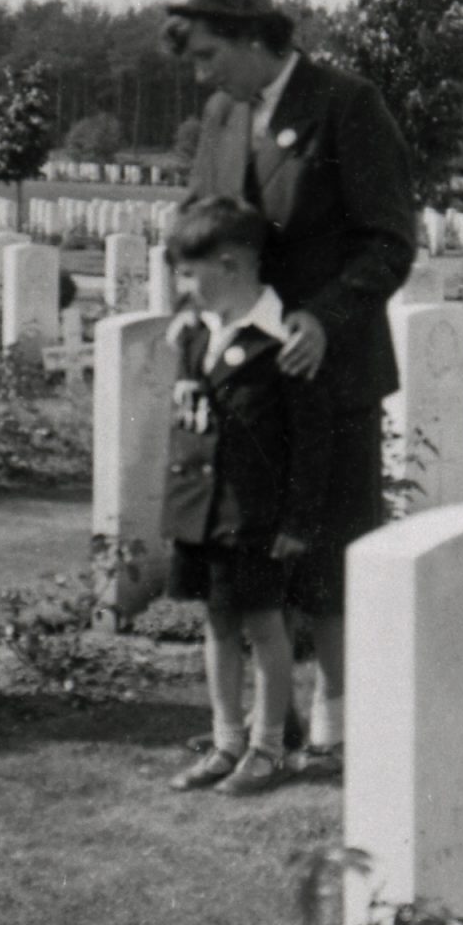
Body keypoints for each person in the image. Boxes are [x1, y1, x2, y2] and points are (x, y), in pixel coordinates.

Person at [164, 0, 417, 782]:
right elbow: (203, 228)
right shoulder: (220, 115)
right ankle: (248, 732)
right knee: (245, 552)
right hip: (241, 382)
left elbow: (388, 239)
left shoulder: (345, 105)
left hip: (326, 367)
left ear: (248, 36)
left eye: (208, 54)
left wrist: (325, 316)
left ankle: (337, 727)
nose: (201, 75)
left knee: (329, 555)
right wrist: (193, 318)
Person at [160, 198, 334, 796]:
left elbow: (310, 445)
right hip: (201, 509)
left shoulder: (282, 342)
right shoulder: (194, 333)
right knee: (216, 623)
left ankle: (268, 747)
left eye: (188, 273)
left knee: (264, 626)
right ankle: (225, 740)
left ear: (231, 266)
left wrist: (298, 519)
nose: (180, 287)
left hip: (256, 515)